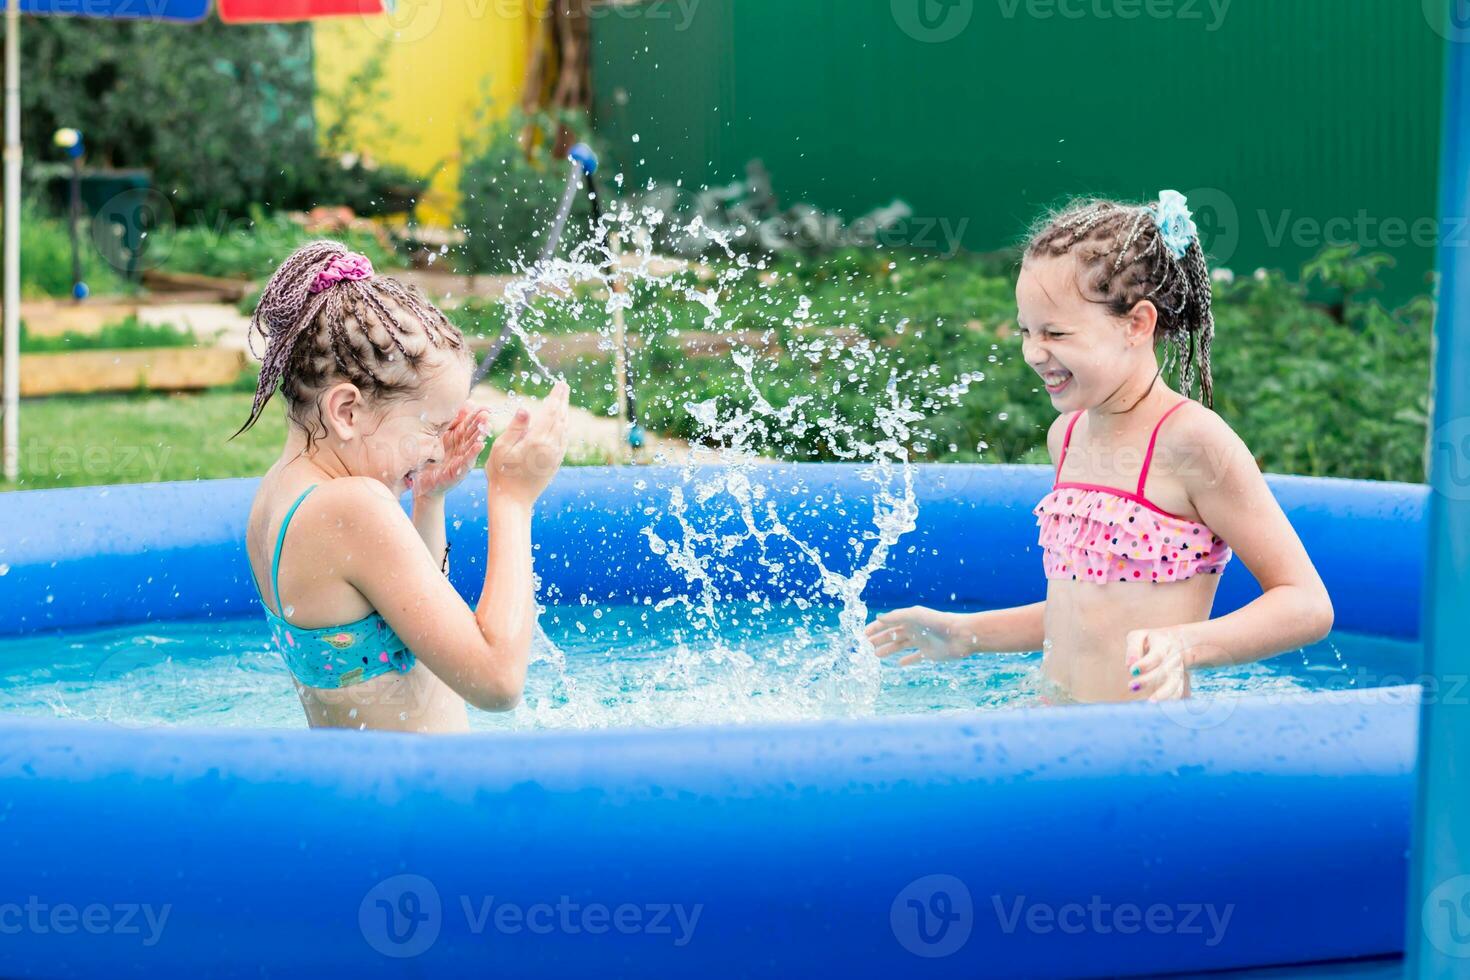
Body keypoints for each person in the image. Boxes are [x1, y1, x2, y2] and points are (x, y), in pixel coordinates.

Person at [866, 192, 1334, 703]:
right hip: (1054, 725)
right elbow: (1082, 613)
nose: (1033, 352)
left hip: (1135, 750)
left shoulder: (1192, 442)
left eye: (1056, 332)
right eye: (1026, 330)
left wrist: (1187, 644)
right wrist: (965, 634)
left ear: (1137, 324)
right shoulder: (1067, 437)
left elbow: (1306, 604)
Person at [236, 240, 569, 731]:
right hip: (423, 801)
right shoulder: (352, 506)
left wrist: (428, 500)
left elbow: (407, 620)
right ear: (346, 411)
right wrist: (513, 498)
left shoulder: (278, 499)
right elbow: (498, 683)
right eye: (430, 428)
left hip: (368, 798)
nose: (438, 448)